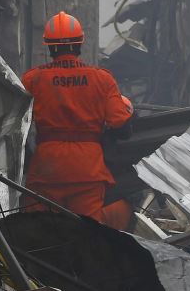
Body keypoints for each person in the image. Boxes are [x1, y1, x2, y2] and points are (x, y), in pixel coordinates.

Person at [21, 11, 132, 221]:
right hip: (88, 169)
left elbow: (14, 124)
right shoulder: (102, 79)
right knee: (87, 232)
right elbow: (122, 127)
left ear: (50, 47)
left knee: (39, 230)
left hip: (47, 168)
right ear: (80, 44)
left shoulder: (33, 80)